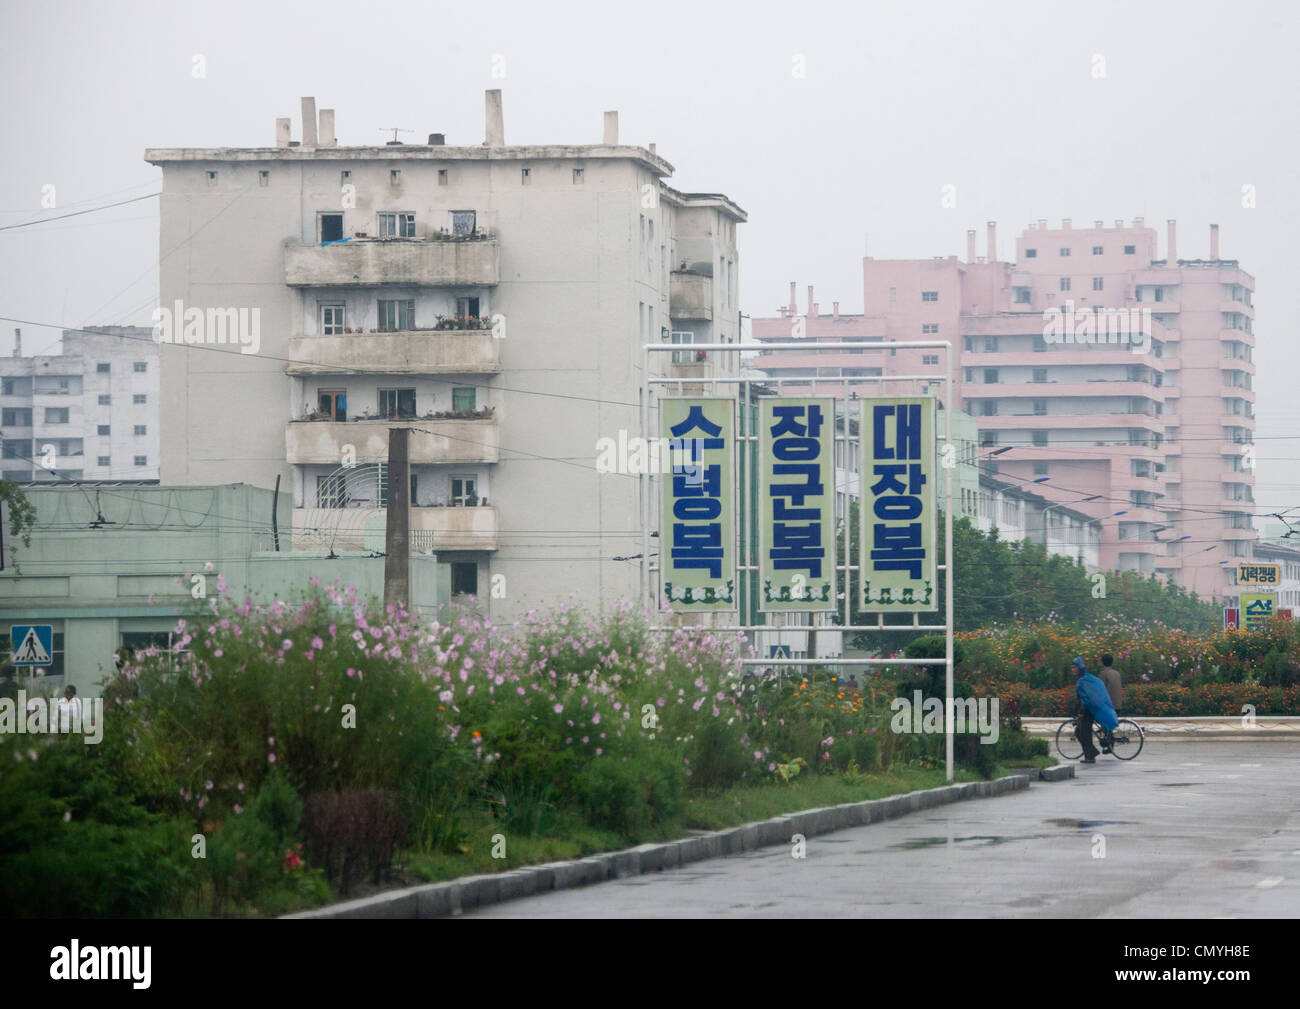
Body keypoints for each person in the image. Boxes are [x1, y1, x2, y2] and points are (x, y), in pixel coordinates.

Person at [1071, 656, 1117, 764]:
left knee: (1084, 733)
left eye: (1074, 667)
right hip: (1088, 709)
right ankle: (1091, 752)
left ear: (1079, 668)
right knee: (1079, 732)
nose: (1072, 670)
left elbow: (1085, 698)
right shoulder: (1085, 678)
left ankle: (1090, 756)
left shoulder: (1083, 680)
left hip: (1088, 711)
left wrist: (1081, 712)